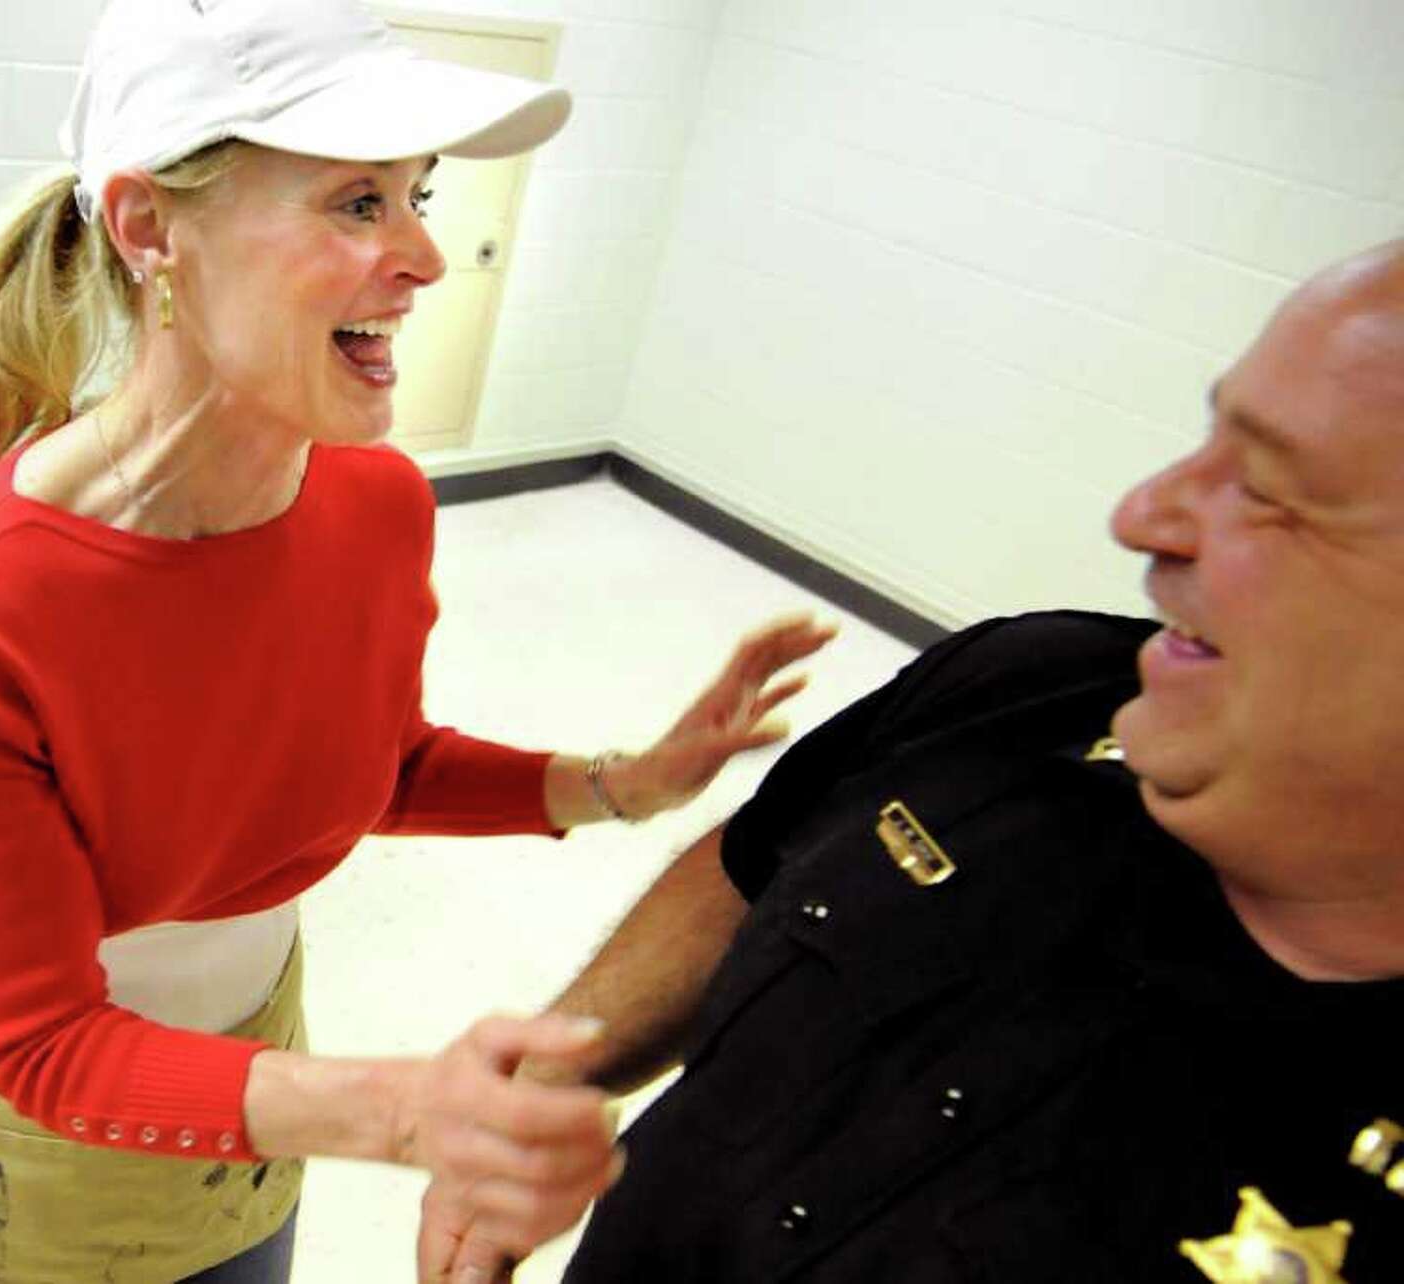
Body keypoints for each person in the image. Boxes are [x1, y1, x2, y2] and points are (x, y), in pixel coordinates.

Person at [0, 1, 836, 1281]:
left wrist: (624, 785)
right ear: (149, 231)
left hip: (257, 1078)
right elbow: (51, 1043)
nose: (423, 255)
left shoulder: (376, 503)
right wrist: (401, 1108)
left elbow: (377, 768)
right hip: (24, 1145)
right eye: (357, 202)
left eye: (420, 194)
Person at [425, 242, 1404, 1284]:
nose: (1143, 516)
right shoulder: (1030, 685)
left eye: (1266, 489)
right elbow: (762, 862)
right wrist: (550, 1082)